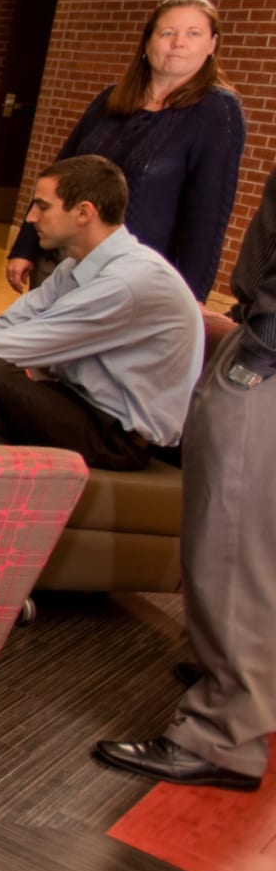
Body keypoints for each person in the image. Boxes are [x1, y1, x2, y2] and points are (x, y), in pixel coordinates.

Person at [97, 176, 276, 792]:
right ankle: (243, 678)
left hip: (267, 360)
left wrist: (260, 348)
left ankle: (223, 733)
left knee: (230, 542)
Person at [6, 0, 245, 302]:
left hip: (130, 278)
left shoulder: (217, 111)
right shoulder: (111, 99)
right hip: (62, 260)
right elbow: (58, 178)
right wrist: (25, 245)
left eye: (193, 33)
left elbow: (207, 216)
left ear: (212, 45)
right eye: (167, 33)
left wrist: (189, 297)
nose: (178, 43)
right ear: (147, 43)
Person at [0, 155, 205, 470]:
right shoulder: (74, 265)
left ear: (83, 212)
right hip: (79, 403)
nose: (31, 217)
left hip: (117, 436)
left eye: (42, 206)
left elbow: (26, 345)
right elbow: (9, 325)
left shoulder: (128, 282)